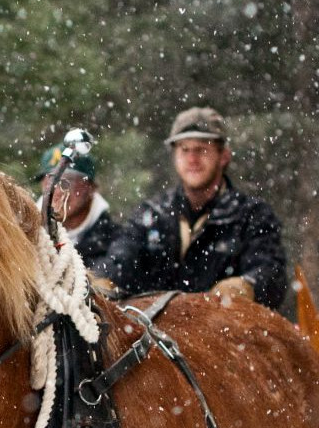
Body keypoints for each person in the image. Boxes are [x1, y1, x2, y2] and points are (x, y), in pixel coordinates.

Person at [103, 106, 287, 308]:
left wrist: (245, 286)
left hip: (224, 335)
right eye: (184, 149)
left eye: (202, 149)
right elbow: (119, 261)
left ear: (224, 156)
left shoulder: (252, 216)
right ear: (174, 156)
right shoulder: (151, 214)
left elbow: (270, 275)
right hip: (153, 333)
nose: (192, 159)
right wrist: (102, 280)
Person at [36, 141, 121, 276]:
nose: (57, 191)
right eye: (49, 181)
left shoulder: (117, 243)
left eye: (67, 181)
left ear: (91, 188)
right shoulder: (25, 236)